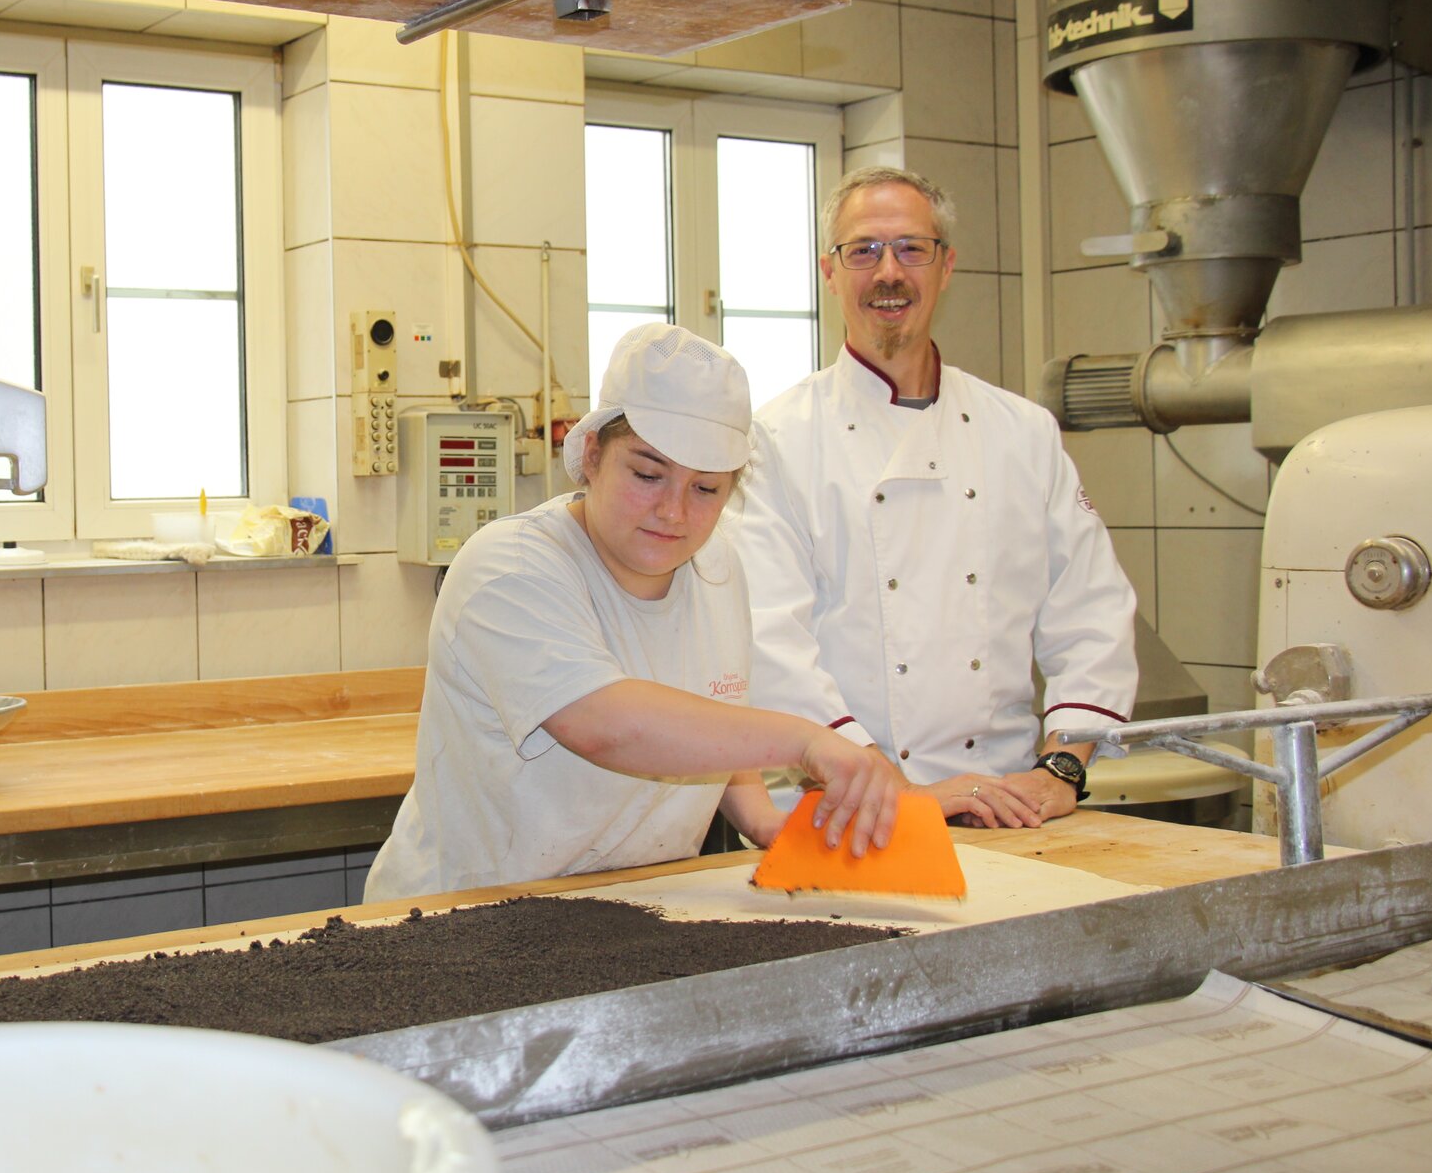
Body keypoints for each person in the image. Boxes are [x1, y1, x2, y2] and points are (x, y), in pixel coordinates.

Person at [364, 324, 905, 903]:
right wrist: (806, 741)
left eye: (706, 490)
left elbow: (713, 716)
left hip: (633, 912)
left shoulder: (717, 567)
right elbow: (608, 726)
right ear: (592, 456)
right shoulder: (511, 568)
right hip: (467, 920)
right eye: (648, 475)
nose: (672, 512)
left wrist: (764, 820)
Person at [731, 166, 1139, 839]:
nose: (887, 271)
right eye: (862, 250)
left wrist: (1061, 766)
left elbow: (1091, 608)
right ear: (829, 274)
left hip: (1010, 809)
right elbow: (768, 636)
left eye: (910, 248)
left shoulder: (1023, 432)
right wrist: (889, 785)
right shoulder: (777, 440)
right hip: (847, 812)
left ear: (946, 266)